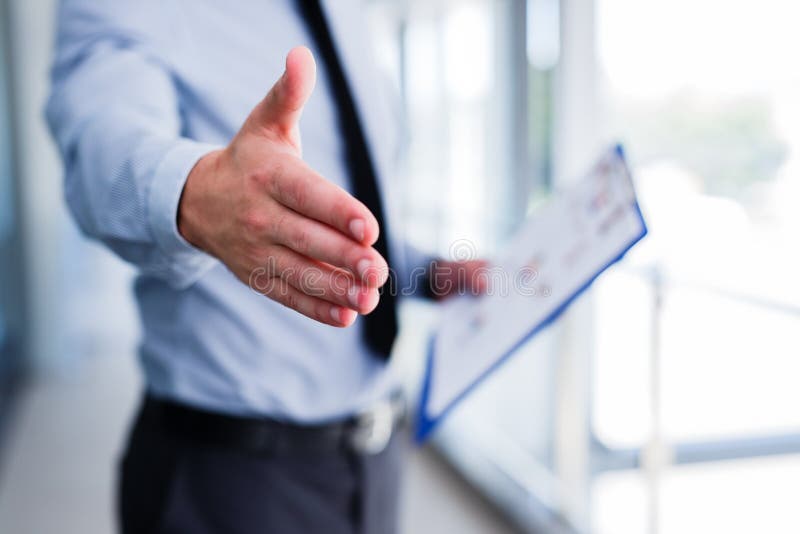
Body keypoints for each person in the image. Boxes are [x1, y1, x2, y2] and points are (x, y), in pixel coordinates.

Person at [46, 1, 486, 533]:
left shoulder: (347, 13)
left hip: (378, 458)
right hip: (232, 480)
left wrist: (430, 273)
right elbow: (99, 153)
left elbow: (346, 207)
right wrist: (196, 194)